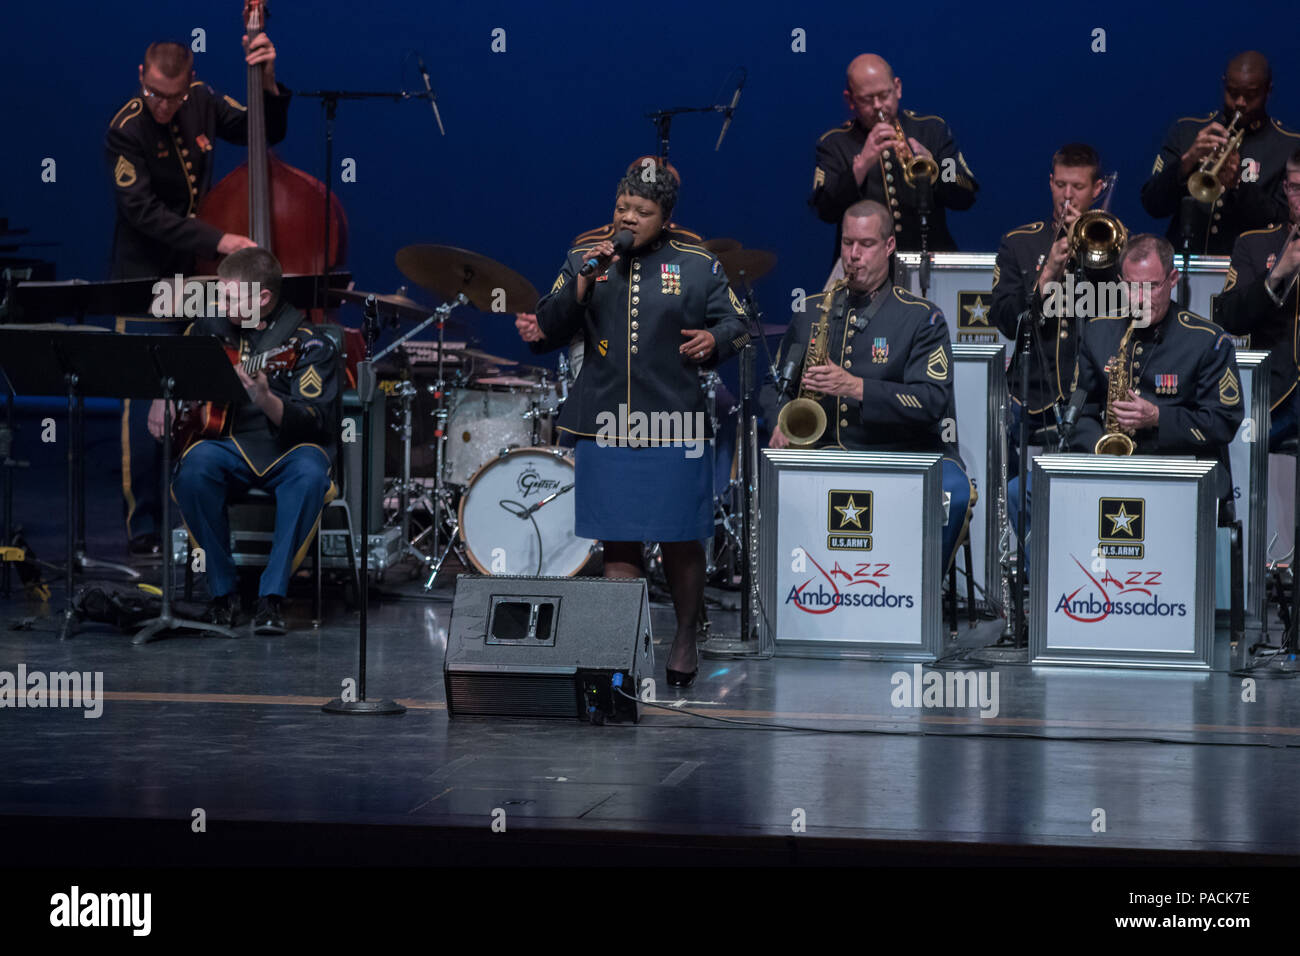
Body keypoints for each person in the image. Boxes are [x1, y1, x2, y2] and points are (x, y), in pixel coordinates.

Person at [532, 167, 750, 687]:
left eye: (642, 212)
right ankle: (620, 654)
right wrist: (584, 280)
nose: (628, 218)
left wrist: (715, 342)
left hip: (675, 424)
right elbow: (548, 324)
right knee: (619, 541)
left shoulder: (698, 264)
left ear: (666, 218)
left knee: (680, 539)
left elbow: (741, 327)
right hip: (604, 425)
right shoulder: (584, 257)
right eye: (622, 208)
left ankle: (684, 637)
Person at [107, 33, 290, 555]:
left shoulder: (204, 100)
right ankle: (143, 527)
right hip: (146, 283)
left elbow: (265, 131)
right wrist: (220, 240)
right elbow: (143, 213)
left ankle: (199, 517)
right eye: (155, 94)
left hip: (199, 282)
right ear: (141, 77)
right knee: (144, 411)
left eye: (174, 97)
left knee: (201, 403)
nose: (164, 106)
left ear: (189, 85)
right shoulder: (125, 129)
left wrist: (267, 80)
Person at [1009, 235, 1245, 580]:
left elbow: (1223, 421)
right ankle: (1062, 585)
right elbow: (1081, 409)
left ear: (1173, 279)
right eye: (1132, 287)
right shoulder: (1099, 332)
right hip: (1108, 465)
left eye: (1152, 287)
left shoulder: (1207, 340)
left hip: (1178, 470)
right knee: (1021, 491)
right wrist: (1102, 449)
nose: (1141, 299)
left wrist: (1158, 418)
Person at [765, 200, 973, 571]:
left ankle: (919, 587)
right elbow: (772, 385)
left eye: (866, 244)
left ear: (889, 246)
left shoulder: (922, 318)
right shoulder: (810, 311)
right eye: (847, 243)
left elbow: (932, 401)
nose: (854, 255)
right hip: (826, 452)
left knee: (953, 492)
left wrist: (856, 387)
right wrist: (780, 419)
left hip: (901, 454)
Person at [159, 249, 341, 634]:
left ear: (263, 297)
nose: (222, 305)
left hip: (289, 448)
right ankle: (222, 593)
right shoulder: (209, 328)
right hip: (229, 442)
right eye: (221, 296)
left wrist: (265, 398)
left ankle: (271, 596)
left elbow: (315, 422)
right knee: (194, 469)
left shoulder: (310, 344)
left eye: (231, 298)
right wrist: (163, 401)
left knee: (309, 476)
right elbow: (174, 370)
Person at [992, 144, 1110, 454]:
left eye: (1078, 187)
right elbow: (1005, 321)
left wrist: (1095, 257)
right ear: (1050, 182)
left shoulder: (1115, 245)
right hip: (1030, 397)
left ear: (1097, 188)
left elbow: (1124, 314)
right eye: (1060, 184)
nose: (1067, 195)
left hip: (1092, 399)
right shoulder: (1019, 243)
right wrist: (1046, 275)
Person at [810, 54, 977, 267]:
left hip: (931, 262)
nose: (878, 106)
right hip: (866, 271)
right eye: (866, 99)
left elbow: (966, 193)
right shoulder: (834, 143)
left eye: (884, 95)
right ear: (850, 100)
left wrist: (935, 168)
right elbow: (824, 210)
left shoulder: (932, 130)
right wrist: (860, 168)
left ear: (897, 88)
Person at [1140, 51, 1298, 256]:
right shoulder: (1186, 131)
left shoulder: (1290, 145)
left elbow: (1285, 220)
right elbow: (1152, 205)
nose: (1240, 102)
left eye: (1251, 95)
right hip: (1184, 262)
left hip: (1250, 269)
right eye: (1232, 92)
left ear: (1268, 91)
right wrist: (1186, 164)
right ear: (1224, 84)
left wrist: (1239, 186)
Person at [1214, 148, 1300, 449]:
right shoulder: (1254, 244)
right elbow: (1227, 318)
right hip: (1275, 397)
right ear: (1285, 188)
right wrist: (1275, 275)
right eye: (1296, 188)